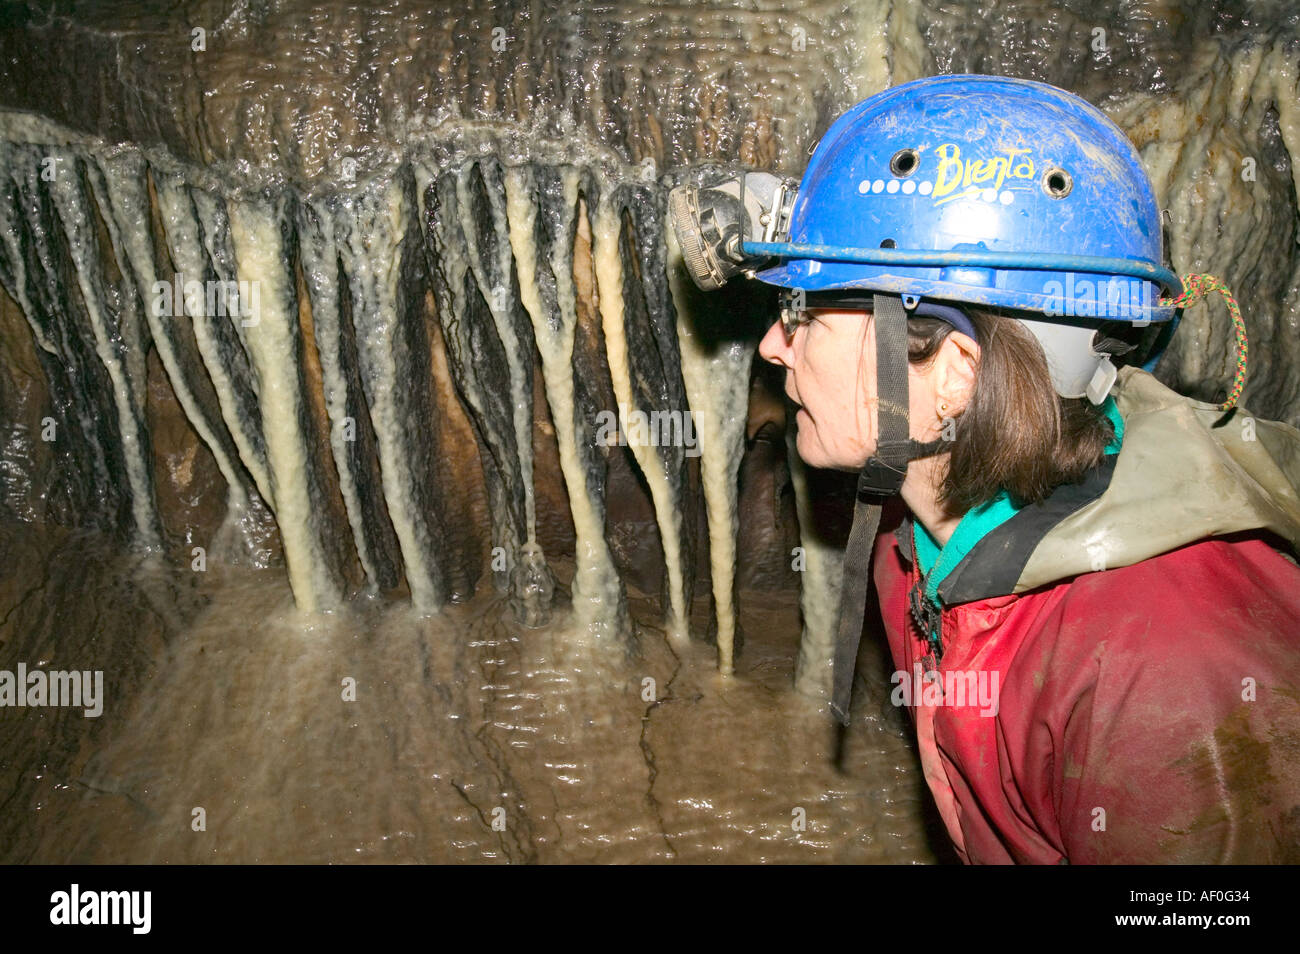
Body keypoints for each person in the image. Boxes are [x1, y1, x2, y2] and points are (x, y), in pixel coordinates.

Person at [740, 75, 1300, 863]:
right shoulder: (921, 545)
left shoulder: (1169, 676)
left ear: (954, 373)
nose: (772, 346)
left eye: (803, 311)